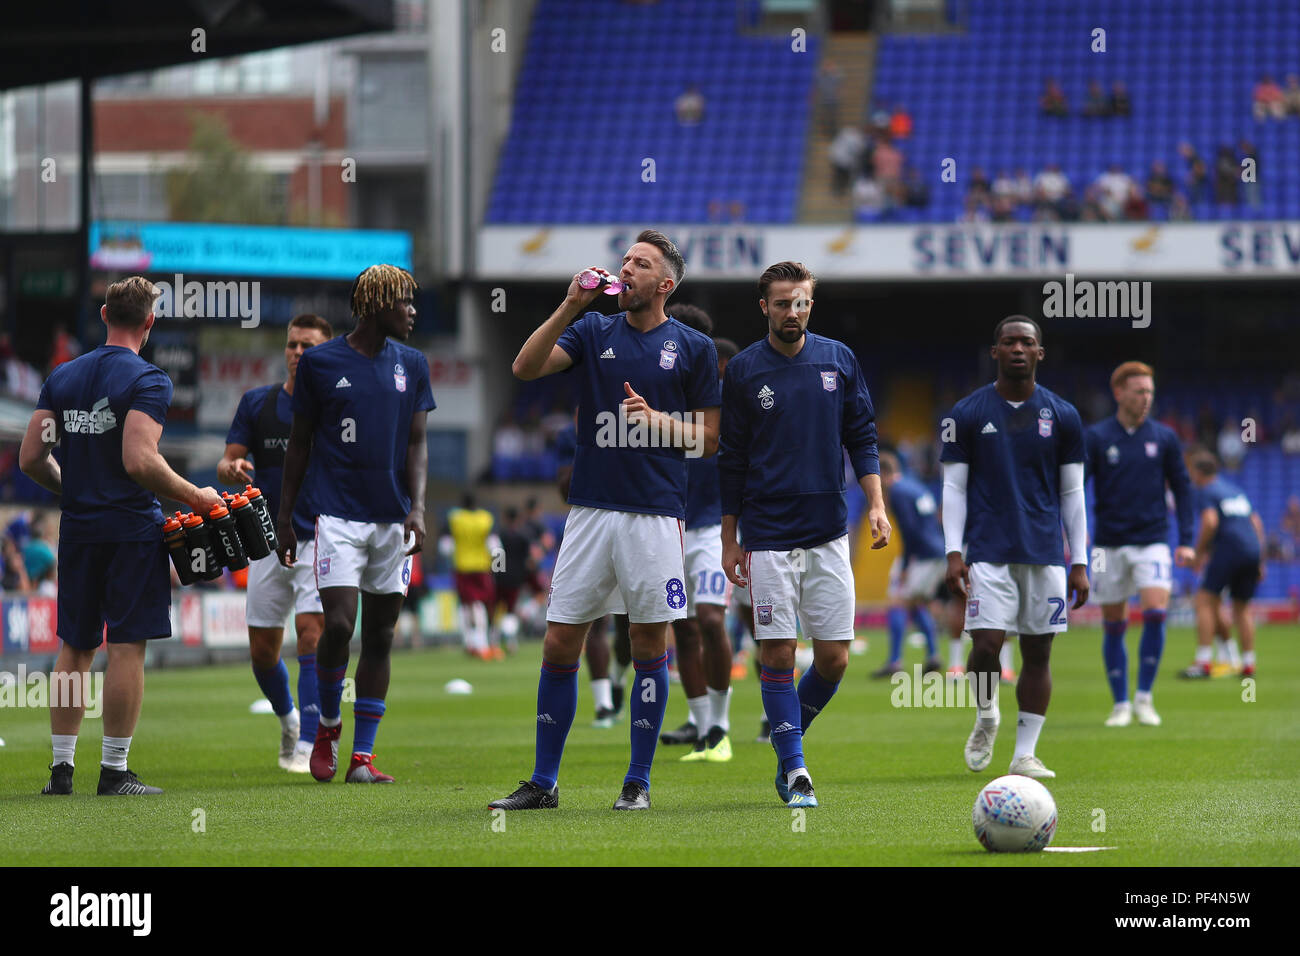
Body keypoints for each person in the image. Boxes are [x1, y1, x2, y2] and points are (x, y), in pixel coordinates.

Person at [489, 230, 720, 812]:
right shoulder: (593, 330)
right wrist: (571, 303)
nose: (628, 268)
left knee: (648, 644)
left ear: (665, 284)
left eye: (641, 263)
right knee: (562, 638)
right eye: (625, 260)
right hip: (589, 512)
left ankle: (637, 783)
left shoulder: (692, 347)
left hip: (654, 516)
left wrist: (657, 423)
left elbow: (712, 440)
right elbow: (524, 367)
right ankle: (543, 783)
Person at [21, 276, 223, 796]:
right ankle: (114, 772)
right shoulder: (150, 379)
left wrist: (74, 488)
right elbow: (139, 460)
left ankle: (61, 773)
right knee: (127, 646)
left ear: (106, 314)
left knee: (75, 646)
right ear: (149, 323)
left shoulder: (62, 377)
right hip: (132, 530)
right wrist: (196, 496)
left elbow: (29, 459)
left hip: (81, 530)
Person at [720, 260, 891, 809]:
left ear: (811, 305)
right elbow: (732, 460)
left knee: (835, 658)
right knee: (777, 653)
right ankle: (795, 769)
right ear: (763, 307)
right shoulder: (744, 371)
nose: (793, 312)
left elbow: (862, 436)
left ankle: (785, 738)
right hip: (767, 534)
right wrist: (729, 538)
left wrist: (877, 506)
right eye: (782, 303)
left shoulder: (838, 359)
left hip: (827, 533)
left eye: (802, 303)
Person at [276, 264, 434, 784]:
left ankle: (362, 759)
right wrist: (283, 514)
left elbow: (416, 443)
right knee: (340, 624)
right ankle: (326, 724)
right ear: (376, 304)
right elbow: (299, 443)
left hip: (392, 519)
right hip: (336, 514)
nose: (412, 311)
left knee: (382, 634)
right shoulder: (320, 363)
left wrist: (418, 507)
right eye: (404, 302)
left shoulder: (412, 363)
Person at [940, 316, 1089, 780]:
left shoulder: (1064, 415)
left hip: (1045, 553)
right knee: (986, 645)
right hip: (988, 550)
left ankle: (1024, 754)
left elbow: (1072, 493)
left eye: (1027, 342)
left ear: (1040, 353)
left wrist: (1080, 561)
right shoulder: (965, 413)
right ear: (995, 351)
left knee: (1039, 654)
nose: (1019, 349)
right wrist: (953, 552)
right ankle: (987, 715)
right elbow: (954, 488)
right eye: (1010, 342)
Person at [219, 313, 332, 771]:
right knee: (262, 652)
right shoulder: (257, 404)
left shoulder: (338, 408)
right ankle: (288, 719)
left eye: (308, 346)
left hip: (323, 539)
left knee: (310, 636)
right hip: (267, 539)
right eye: (292, 345)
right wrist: (232, 469)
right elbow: (229, 460)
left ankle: (308, 741)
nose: (298, 353)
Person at [1085, 362, 1195, 728]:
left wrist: (1187, 540)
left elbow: (1182, 487)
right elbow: (1075, 488)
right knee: (1112, 622)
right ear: (1119, 393)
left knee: (1155, 612)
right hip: (1105, 546)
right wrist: (1076, 529)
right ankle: (1120, 703)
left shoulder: (1164, 438)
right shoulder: (1097, 437)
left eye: (1150, 391)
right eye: (1139, 391)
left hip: (1153, 541)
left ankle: (1145, 697)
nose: (1146, 398)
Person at [657, 306, 735, 762]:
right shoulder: (654, 392)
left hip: (711, 528)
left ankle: (721, 727)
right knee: (682, 630)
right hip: (666, 525)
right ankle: (702, 727)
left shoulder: (726, 396)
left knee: (710, 620)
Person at [555, 417, 621, 726]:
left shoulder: (630, 420)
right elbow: (563, 487)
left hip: (636, 525)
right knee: (596, 621)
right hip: (593, 528)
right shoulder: (571, 433)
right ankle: (604, 704)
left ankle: (617, 681)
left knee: (634, 630)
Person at [1182, 453, 1265, 679]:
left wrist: (1198, 554)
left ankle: (1203, 662)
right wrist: (1260, 559)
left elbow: (1210, 522)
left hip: (1228, 551)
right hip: (1251, 551)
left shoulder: (1206, 491)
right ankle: (1248, 664)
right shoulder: (1234, 490)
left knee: (1204, 600)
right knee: (1242, 608)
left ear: (1198, 473)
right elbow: (1256, 523)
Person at [872, 451, 945, 677]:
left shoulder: (897, 492)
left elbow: (910, 531)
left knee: (897, 601)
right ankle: (933, 655)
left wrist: (905, 566)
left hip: (921, 556)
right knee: (915, 603)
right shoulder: (914, 486)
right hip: (935, 551)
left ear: (883, 474)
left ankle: (895, 662)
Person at [441, 492, 499, 659]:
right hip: (482, 567)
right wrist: (498, 569)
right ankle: (482, 643)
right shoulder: (486, 518)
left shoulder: (455, 518)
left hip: (462, 567)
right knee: (481, 604)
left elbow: (444, 547)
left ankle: (470, 642)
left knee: (466, 604)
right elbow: (495, 545)